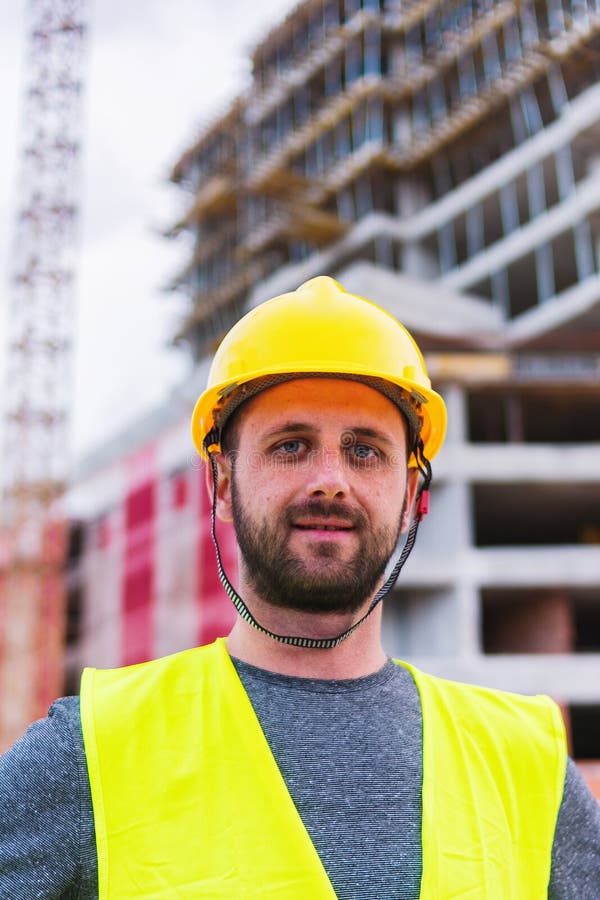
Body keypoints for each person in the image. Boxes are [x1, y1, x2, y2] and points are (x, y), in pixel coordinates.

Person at [1, 276, 599, 899]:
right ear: (222, 487)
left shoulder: (528, 768)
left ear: (412, 499)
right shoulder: (95, 751)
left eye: (365, 450)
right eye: (291, 446)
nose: (330, 481)